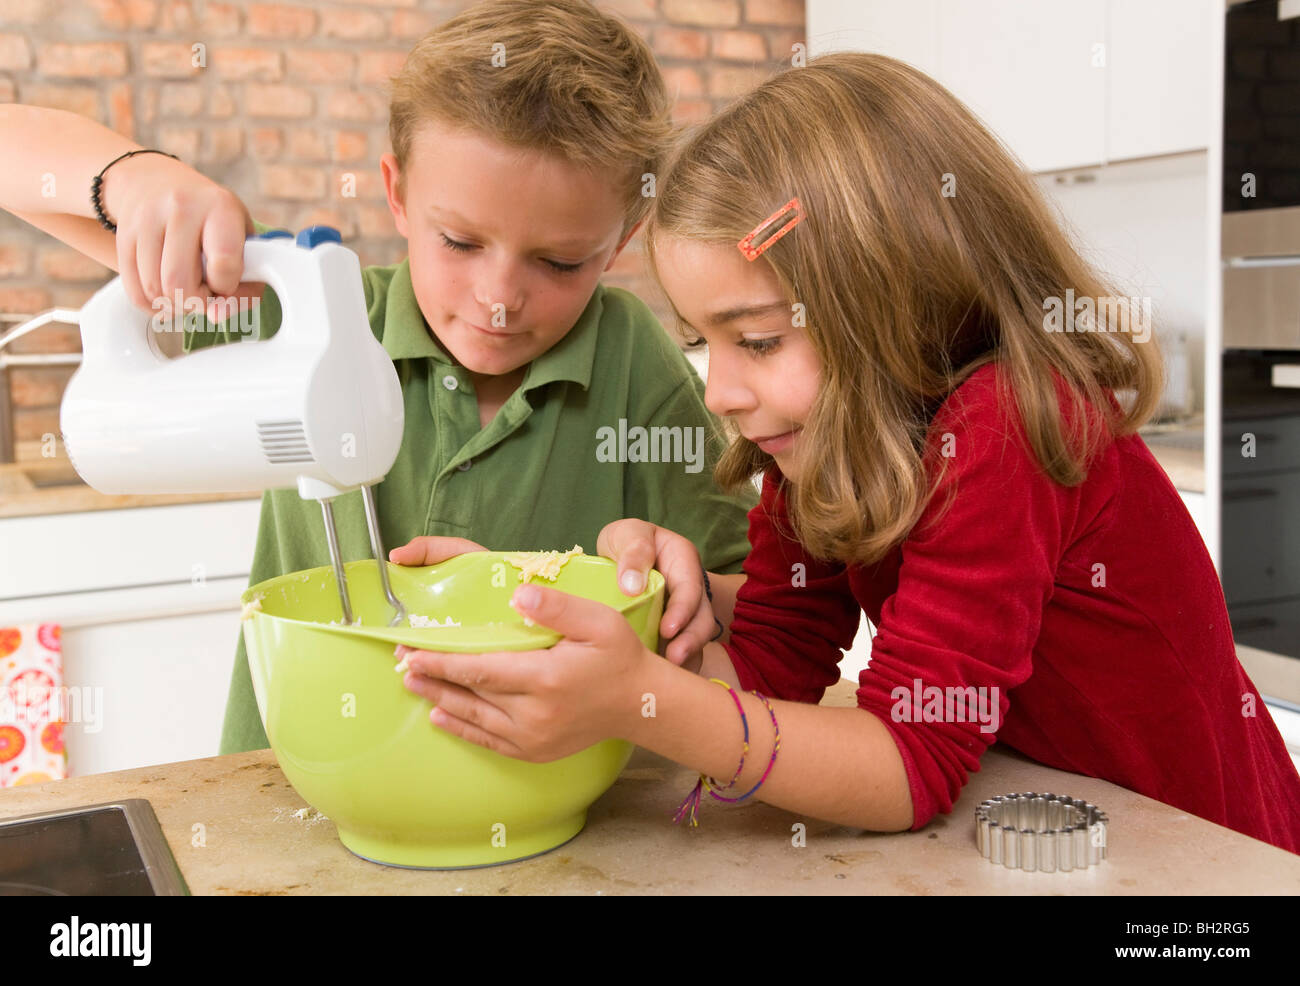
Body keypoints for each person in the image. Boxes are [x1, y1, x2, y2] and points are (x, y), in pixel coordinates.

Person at [391, 52, 1300, 856]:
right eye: (707, 343)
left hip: (1205, 854)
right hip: (1047, 826)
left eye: (755, 342)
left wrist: (643, 702)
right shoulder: (821, 445)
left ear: (894, 302)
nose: (719, 395)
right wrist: (622, 622)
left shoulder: (1006, 424)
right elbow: (768, 666)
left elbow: (906, 764)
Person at [0, 0, 756, 755]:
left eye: (558, 262)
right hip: (295, 787)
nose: (499, 298)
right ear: (396, 193)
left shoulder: (634, 360)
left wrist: (680, 599)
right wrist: (133, 182)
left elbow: (751, 609)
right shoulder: (308, 318)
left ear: (621, 237)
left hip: (549, 815)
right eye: (459, 241)